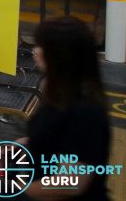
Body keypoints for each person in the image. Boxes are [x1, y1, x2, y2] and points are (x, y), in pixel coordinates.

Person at [22, 17, 111, 200]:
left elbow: (71, 182)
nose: (35, 51)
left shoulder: (85, 112)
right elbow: (55, 137)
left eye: (42, 46)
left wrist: (18, 193)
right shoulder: (57, 93)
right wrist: (22, 145)